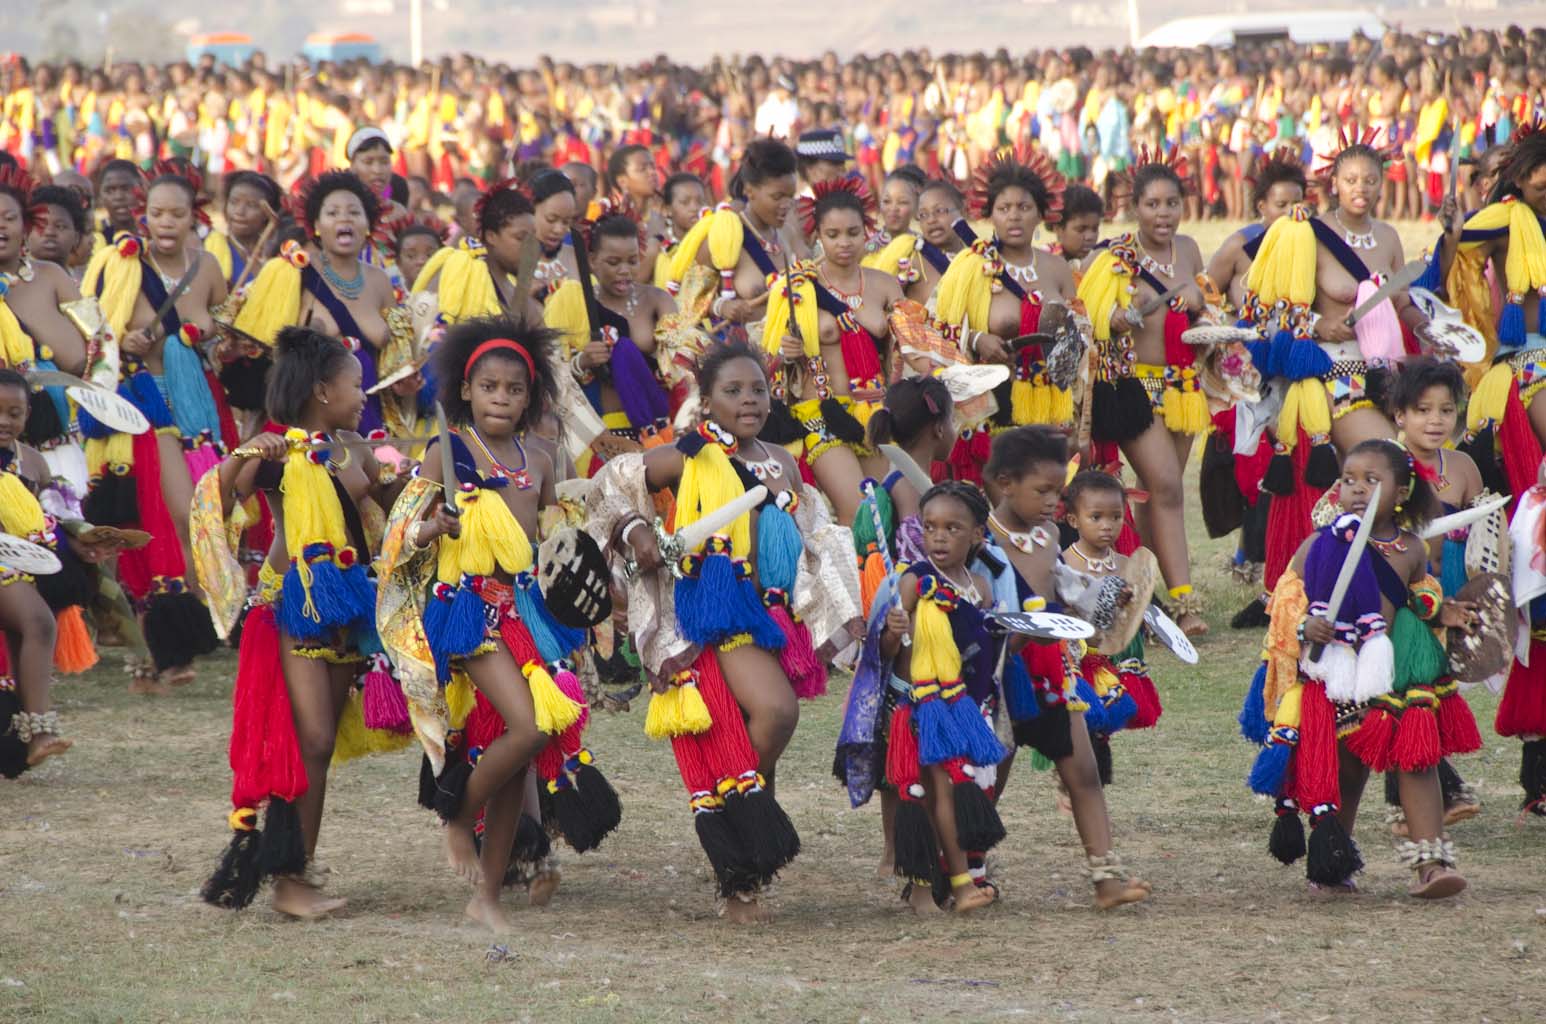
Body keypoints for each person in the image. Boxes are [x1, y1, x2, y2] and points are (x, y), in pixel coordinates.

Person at [587, 342, 860, 921]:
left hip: (772, 614)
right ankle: (734, 838)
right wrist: (637, 532)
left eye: (758, 389)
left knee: (757, 738)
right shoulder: (688, 454)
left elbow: (812, 534)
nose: (749, 400)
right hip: (714, 613)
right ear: (706, 402)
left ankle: (745, 877)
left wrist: (837, 601)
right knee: (777, 713)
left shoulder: (783, 462)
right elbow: (611, 486)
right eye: (733, 391)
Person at [381, 316, 620, 930]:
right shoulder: (448, 451)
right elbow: (401, 532)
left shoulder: (540, 456)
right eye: (489, 387)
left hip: (524, 613)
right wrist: (434, 527)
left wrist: (592, 594)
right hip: (466, 611)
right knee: (530, 725)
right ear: (467, 390)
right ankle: (458, 816)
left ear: (530, 395)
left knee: (520, 753)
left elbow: (555, 542)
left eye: (514, 389)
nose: (501, 399)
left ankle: (485, 895)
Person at [201, 327, 411, 918]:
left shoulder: (359, 448)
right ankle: (287, 873)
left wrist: (411, 482)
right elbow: (223, 503)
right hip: (294, 607)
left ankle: (298, 872)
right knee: (311, 738)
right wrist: (247, 454)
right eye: (356, 385)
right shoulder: (279, 452)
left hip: (349, 607)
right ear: (322, 389)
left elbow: (392, 510)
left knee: (318, 748)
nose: (364, 395)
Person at [1241, 438, 1480, 898]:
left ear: (1402, 492)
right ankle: (1333, 864)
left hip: (1393, 678)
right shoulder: (1319, 544)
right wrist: (1306, 625)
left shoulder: (1411, 548)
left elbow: (1420, 595)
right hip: (1339, 679)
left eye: (1372, 480)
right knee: (1347, 774)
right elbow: (1286, 599)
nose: (1357, 489)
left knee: (1416, 762)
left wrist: (1441, 610)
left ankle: (1431, 865)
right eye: (1349, 479)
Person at [985, 426, 1150, 909]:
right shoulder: (981, 536)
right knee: (990, 778)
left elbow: (1064, 589)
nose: (1053, 502)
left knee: (1084, 772)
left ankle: (1107, 878)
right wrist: (1016, 634)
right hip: (1001, 672)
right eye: (1043, 490)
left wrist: (1106, 599)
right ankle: (963, 871)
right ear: (1005, 483)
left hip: (1054, 671)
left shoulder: (1050, 534)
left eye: (1058, 491)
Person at [80, 162, 228, 685]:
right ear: (144, 215)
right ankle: (158, 644)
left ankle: (182, 638)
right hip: (142, 406)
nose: (166, 222)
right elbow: (93, 333)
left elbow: (223, 328)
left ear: (194, 218)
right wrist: (124, 342)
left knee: (196, 518)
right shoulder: (120, 263)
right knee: (158, 518)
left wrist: (216, 340)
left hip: (197, 409)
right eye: (157, 213)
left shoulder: (207, 267)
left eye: (177, 214)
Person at [1076, 150, 1208, 635]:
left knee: (1157, 495)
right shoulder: (1112, 257)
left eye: (1172, 203)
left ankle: (1150, 600)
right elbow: (1088, 315)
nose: (1163, 214)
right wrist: (1117, 317)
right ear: (1134, 208)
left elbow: (1205, 304)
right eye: (1152, 204)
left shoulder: (1189, 250)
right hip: (1133, 389)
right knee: (1168, 485)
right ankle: (1185, 603)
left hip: (1183, 388)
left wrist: (1200, 306)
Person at [878, 480, 1007, 914]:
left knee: (957, 790)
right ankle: (953, 886)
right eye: (930, 526)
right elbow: (888, 653)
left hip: (963, 706)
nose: (938, 537)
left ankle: (943, 886)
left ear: (977, 535)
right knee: (934, 791)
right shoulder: (914, 581)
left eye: (953, 528)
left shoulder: (981, 587)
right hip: (921, 706)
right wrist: (892, 632)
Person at [1380, 358, 1486, 829]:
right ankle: (1430, 796)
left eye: (1446, 410)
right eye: (1423, 410)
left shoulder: (1463, 468)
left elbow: (1486, 538)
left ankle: (1414, 801)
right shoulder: (1383, 464)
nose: (1435, 420)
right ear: (1399, 414)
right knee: (1405, 693)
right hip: (1397, 602)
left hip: (1449, 599)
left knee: (1430, 696)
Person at [936, 146, 1078, 486]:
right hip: (993, 403)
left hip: (1050, 404)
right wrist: (977, 339)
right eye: (1004, 208)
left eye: (1024, 208)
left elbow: (1077, 339)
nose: (1014, 216)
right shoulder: (970, 266)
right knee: (1010, 498)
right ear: (991, 215)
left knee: (1045, 496)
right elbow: (936, 329)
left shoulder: (1057, 267)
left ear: (1040, 213)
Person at [233, 170, 404, 435]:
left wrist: (406, 380)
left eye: (354, 212)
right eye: (333, 212)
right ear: (316, 225)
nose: (344, 218)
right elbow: (256, 344)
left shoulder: (380, 280)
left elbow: (397, 359)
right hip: (306, 425)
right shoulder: (294, 271)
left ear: (368, 224)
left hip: (369, 420)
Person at [773, 178, 903, 525]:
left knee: (887, 511)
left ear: (866, 233)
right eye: (833, 234)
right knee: (859, 511)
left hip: (873, 412)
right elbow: (772, 357)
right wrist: (787, 354)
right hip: (821, 413)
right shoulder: (800, 286)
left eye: (852, 233)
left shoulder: (885, 284)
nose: (844, 242)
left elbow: (907, 348)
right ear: (818, 236)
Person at [547, 211, 676, 461]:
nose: (624, 270)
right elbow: (554, 374)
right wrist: (582, 361)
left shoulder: (657, 299)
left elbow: (684, 360)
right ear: (592, 260)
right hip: (601, 431)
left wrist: (669, 366)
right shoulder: (575, 304)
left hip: (659, 427)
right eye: (614, 262)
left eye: (632, 261)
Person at [1061, 470, 1163, 780]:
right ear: (1073, 520)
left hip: (1113, 660)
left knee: (1103, 727)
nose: (1107, 525)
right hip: (1078, 660)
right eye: (1096, 517)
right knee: (1079, 725)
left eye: (1116, 517)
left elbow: (1133, 616)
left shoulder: (1126, 564)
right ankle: (1070, 781)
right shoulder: (1065, 564)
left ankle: (1091, 780)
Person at [667, 138, 799, 335]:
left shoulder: (788, 233)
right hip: (746, 351)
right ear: (749, 190)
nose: (787, 205)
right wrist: (721, 307)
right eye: (777, 197)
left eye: (791, 196)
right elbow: (685, 302)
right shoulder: (723, 235)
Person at [204, 170, 280, 287]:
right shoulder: (208, 248)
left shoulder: (276, 256)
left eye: (251, 205)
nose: (239, 212)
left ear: (268, 213)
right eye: (234, 202)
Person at [903, 179, 966, 305]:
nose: (931, 220)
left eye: (940, 211)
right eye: (923, 215)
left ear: (961, 211)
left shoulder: (980, 259)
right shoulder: (911, 263)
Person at [862, 165, 924, 277]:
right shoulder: (865, 243)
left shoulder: (921, 246)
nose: (893, 208)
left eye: (902, 202)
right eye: (886, 201)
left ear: (916, 206)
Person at [651, 171, 708, 289]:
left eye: (700, 201)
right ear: (667, 209)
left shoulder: (712, 241)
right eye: (685, 202)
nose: (695, 208)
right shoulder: (656, 247)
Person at [25, 185, 85, 271]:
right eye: (41, 225)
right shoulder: (10, 278)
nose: (49, 232)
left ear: (76, 238)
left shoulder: (85, 279)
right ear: (25, 233)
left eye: (60, 226)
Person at [1051, 183, 1104, 265]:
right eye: (1081, 229)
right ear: (1058, 229)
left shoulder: (1103, 261)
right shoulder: (1042, 264)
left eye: (1095, 229)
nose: (1090, 237)